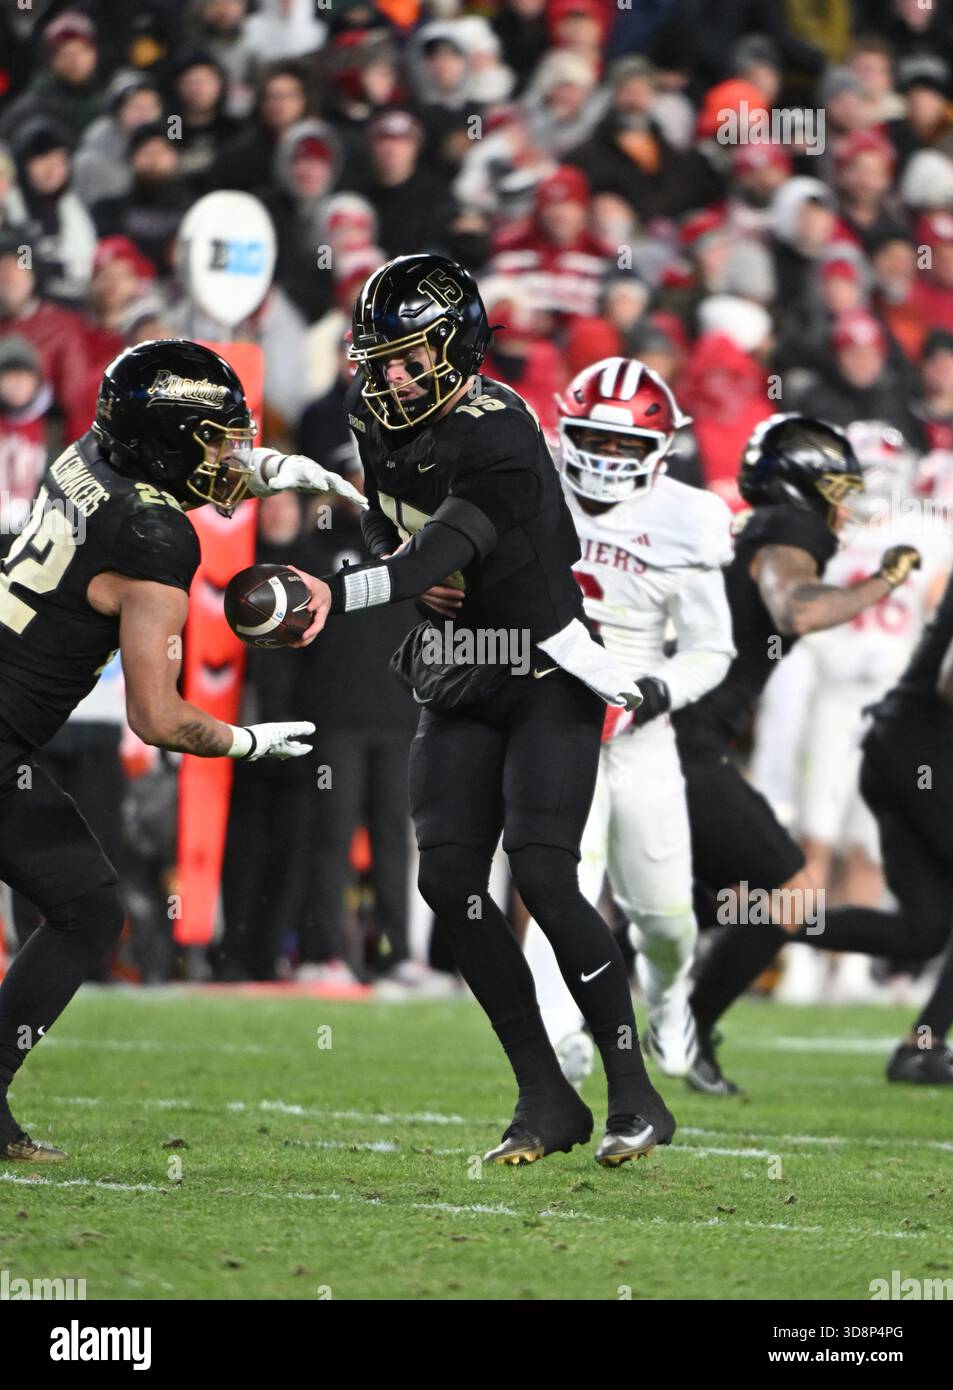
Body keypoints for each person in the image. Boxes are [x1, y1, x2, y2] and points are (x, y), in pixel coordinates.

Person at [291, 253, 676, 1167]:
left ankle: (633, 1094)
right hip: (462, 672)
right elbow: (390, 526)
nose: (385, 375)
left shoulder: (497, 427)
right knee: (449, 883)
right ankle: (545, 1096)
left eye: (405, 356)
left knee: (542, 879)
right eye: (376, 356)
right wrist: (405, 576)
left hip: (544, 670)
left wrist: (339, 594)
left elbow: (440, 548)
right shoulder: (371, 414)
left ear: (455, 348)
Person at [0, 337, 362, 1161]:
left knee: (87, 906)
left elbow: (176, 464)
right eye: (215, 439)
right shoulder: (156, 539)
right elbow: (158, 719)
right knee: (88, 908)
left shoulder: (88, 451)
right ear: (168, 441)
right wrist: (244, 740)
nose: (228, 456)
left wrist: (277, 466)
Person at [672, 414, 922, 1094]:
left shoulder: (751, 527)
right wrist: (882, 583)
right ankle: (686, 1026)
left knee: (694, 901)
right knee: (788, 894)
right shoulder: (788, 529)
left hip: (667, 732)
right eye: (835, 489)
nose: (842, 507)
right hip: (682, 741)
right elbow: (798, 611)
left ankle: (620, 1023)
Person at [521, 356, 735, 1086]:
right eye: (594, 439)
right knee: (558, 883)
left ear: (661, 449)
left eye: (625, 446)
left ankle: (671, 1001)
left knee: (665, 916)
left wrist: (649, 691)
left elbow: (713, 649)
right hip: (552, 723)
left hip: (639, 736)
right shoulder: (531, 491)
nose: (608, 459)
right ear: (564, 431)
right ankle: (557, 1035)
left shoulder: (687, 518)